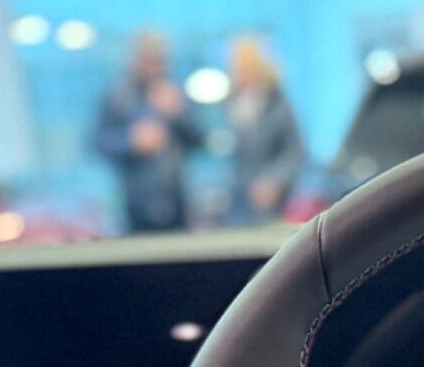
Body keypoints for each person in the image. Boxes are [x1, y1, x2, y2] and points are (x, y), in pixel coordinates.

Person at [94, 31, 203, 233]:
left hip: (176, 199)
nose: (154, 66)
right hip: (135, 201)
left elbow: (198, 140)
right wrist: (131, 141)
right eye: (148, 60)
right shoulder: (118, 96)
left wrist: (178, 114)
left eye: (158, 60)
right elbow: (99, 142)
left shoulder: (174, 92)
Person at [224, 36, 305, 223]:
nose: (239, 71)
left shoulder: (277, 104)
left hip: (268, 203)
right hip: (237, 203)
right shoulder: (232, 103)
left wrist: (274, 180)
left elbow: (295, 152)